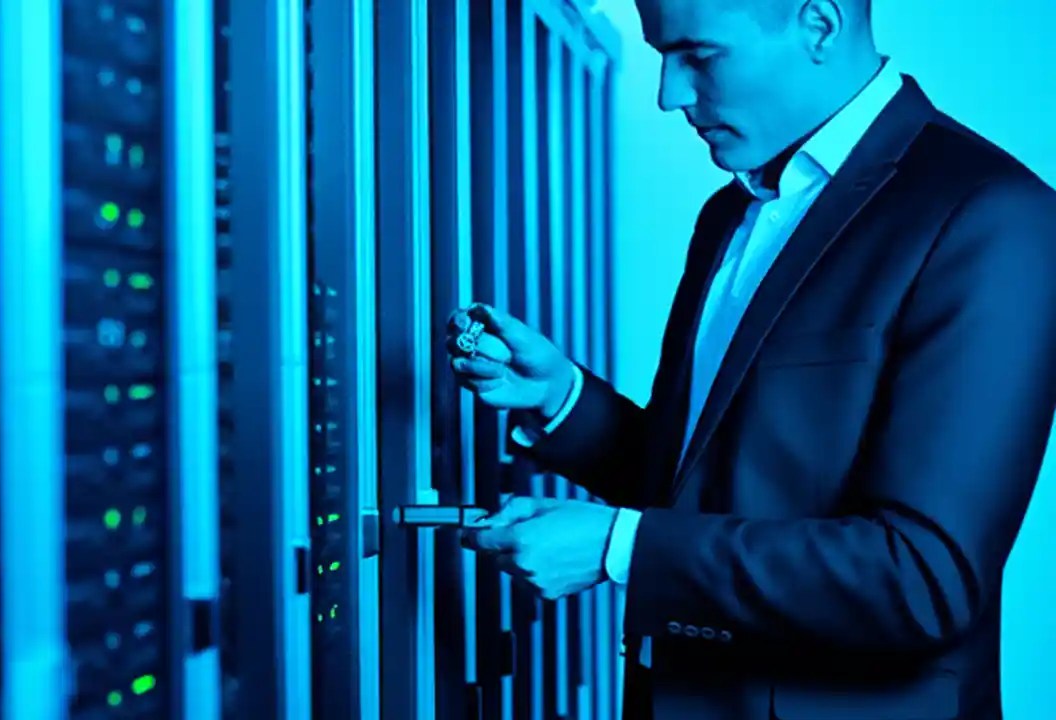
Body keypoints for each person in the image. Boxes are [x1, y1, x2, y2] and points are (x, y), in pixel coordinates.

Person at [448, 0, 1056, 718]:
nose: (668, 94)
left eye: (699, 57)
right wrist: (563, 400)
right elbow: (712, 484)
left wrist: (624, 550)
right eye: (661, 56)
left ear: (820, 25)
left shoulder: (993, 214)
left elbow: (921, 579)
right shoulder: (728, 215)